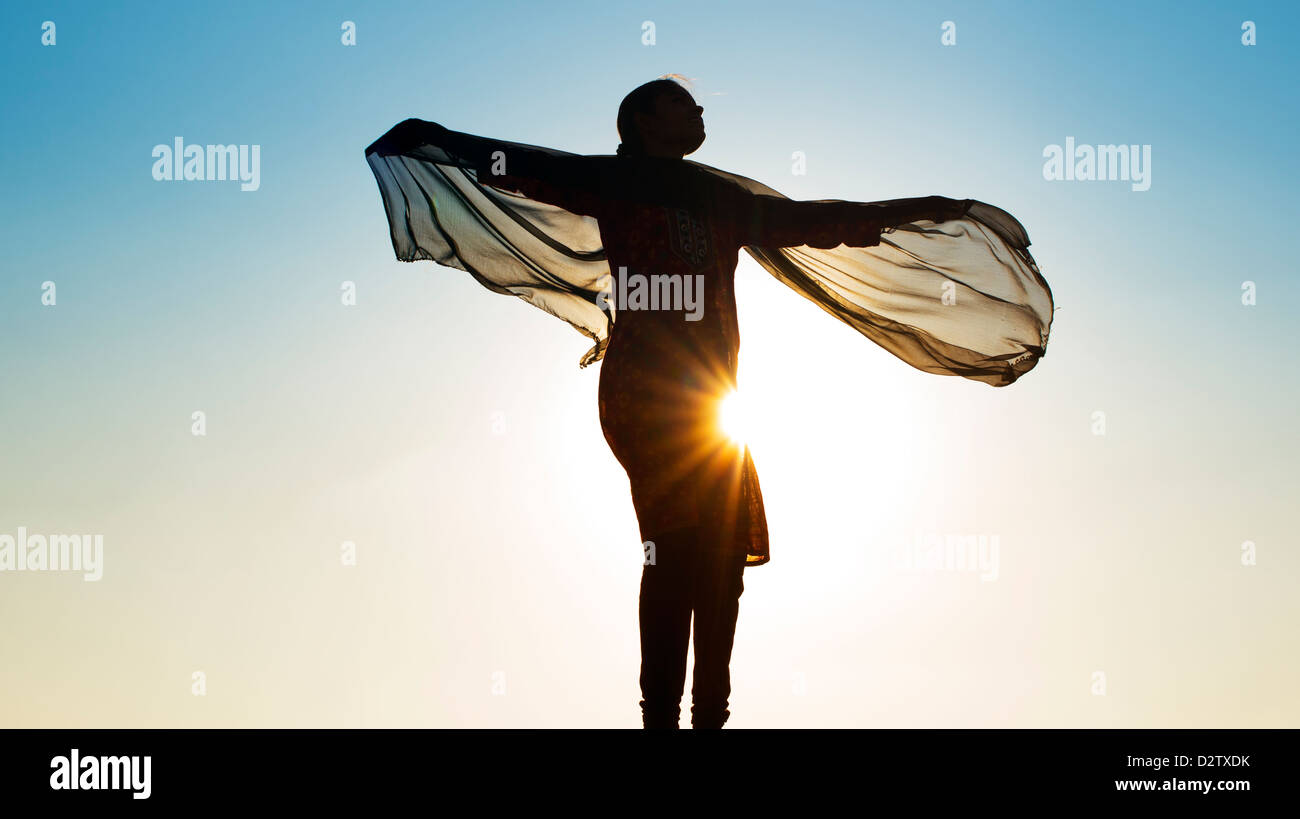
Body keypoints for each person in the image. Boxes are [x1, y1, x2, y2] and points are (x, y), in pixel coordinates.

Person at [364, 77, 1047, 728]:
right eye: (684, 106)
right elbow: (514, 163)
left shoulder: (719, 198)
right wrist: (439, 139)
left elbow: (817, 221)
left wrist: (927, 207)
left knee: (721, 558)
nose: (700, 115)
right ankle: (660, 720)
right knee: (676, 547)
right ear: (644, 122)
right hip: (646, 391)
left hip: (713, 401)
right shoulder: (613, 179)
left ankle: (708, 719)